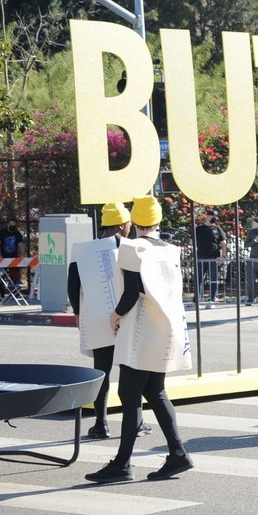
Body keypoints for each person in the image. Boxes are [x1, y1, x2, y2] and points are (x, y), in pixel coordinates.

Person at [86, 195, 193, 483]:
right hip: (166, 328)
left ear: (134, 221)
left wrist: (115, 316)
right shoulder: (171, 249)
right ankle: (178, 454)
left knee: (130, 394)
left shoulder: (132, 247)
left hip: (142, 330)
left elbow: (131, 292)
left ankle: (123, 464)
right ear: (158, 220)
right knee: (155, 391)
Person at [67, 202, 151, 440]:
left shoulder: (82, 249)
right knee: (131, 372)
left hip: (97, 317)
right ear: (122, 224)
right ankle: (136, 422)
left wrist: (77, 313)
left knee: (101, 371)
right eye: (128, 224)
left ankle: (101, 424)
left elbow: (72, 284)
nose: (130, 227)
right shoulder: (131, 246)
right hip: (128, 315)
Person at [194, 208, 226, 307]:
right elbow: (192, 241)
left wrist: (223, 256)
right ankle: (197, 300)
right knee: (199, 279)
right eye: (212, 216)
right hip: (201, 257)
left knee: (213, 279)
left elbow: (223, 243)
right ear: (207, 216)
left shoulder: (217, 229)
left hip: (214, 257)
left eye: (215, 216)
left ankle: (212, 299)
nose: (214, 218)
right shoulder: (199, 229)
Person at [0, 219, 25, 289]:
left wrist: (23, 256)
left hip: (14, 259)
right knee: (2, 277)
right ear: (8, 224)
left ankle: (14, 292)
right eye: (11, 225)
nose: (12, 227)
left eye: (14, 226)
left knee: (15, 277)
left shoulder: (17, 234)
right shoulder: (1, 233)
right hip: (3, 258)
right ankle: (2, 293)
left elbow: (21, 245)